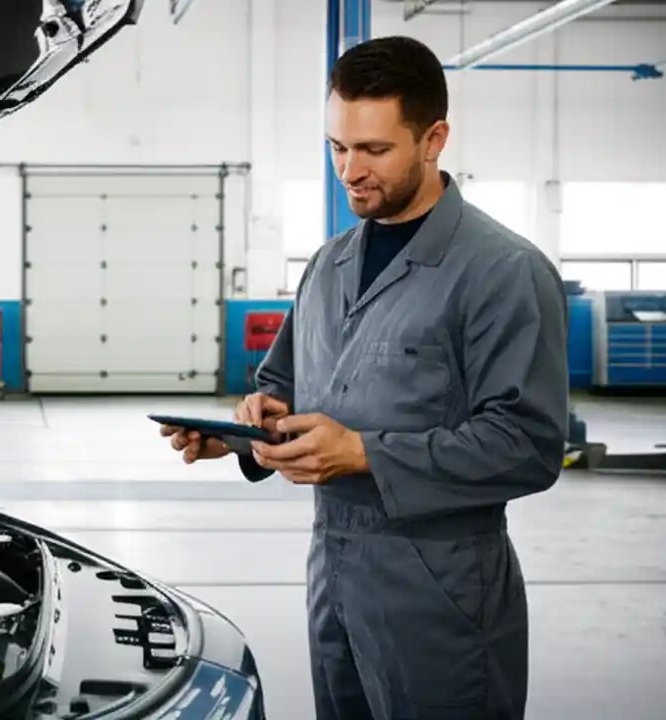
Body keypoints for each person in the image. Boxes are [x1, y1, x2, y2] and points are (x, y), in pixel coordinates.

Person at [161, 36, 568, 720]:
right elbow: (286, 391)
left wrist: (363, 452)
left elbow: (527, 446)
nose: (349, 170)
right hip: (334, 580)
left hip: (440, 592)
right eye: (336, 147)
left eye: (374, 150)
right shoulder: (328, 265)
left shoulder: (502, 272)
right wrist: (243, 433)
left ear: (434, 139)